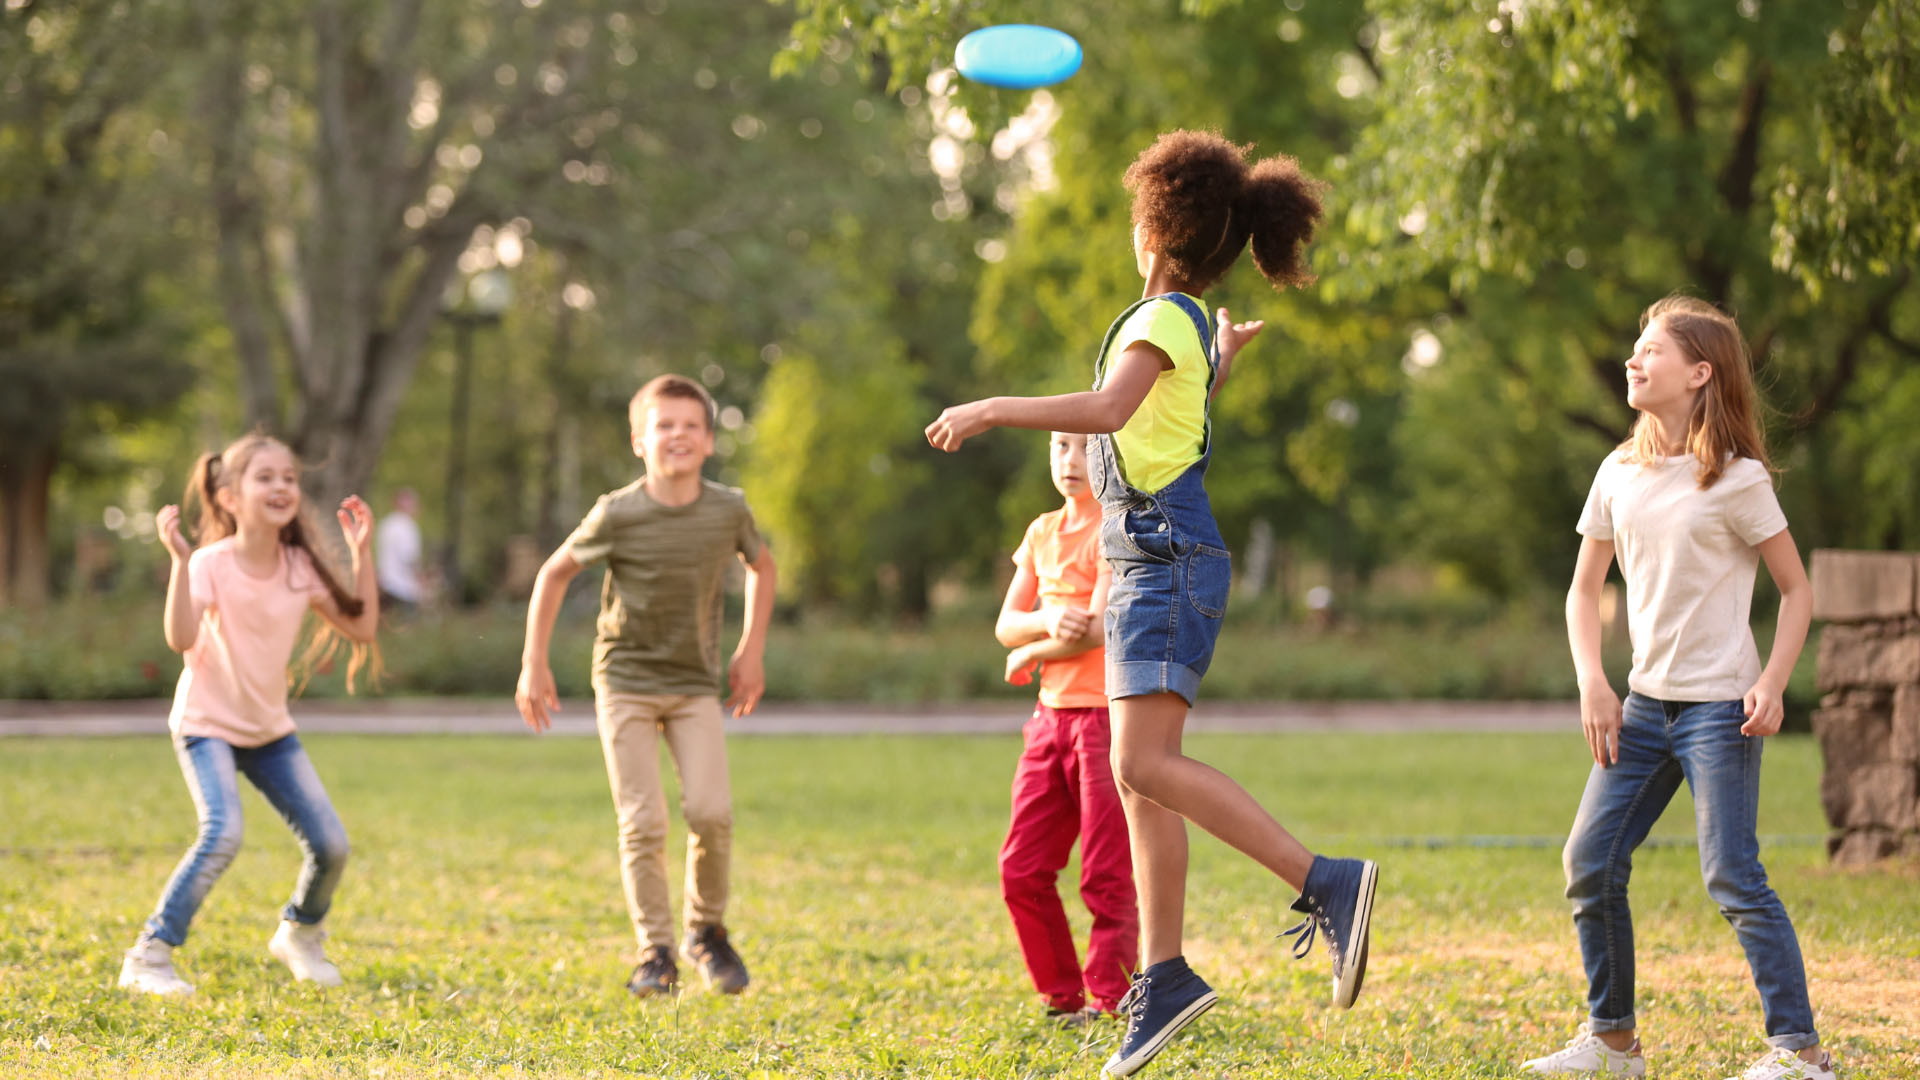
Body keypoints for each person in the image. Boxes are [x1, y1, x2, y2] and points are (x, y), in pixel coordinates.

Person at [925, 130, 1377, 1078]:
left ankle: (1326, 881)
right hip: (1151, 554)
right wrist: (1226, 364)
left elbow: (1109, 414)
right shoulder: (1182, 324)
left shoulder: (1163, 317)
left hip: (1163, 556)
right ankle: (1164, 974)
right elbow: (1170, 418)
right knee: (1137, 776)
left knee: (1141, 760)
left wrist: (992, 407)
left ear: (1156, 233)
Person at [1526, 296, 1832, 1080]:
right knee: (1588, 863)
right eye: (1636, 347)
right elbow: (1582, 587)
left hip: (1719, 709)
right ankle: (1615, 1043)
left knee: (1732, 874)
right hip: (1640, 707)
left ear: (1699, 373)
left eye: (1651, 350)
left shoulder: (1738, 479)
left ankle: (1801, 1054)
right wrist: (1594, 682)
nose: (1634, 360)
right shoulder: (1617, 471)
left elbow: (1796, 591)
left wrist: (1773, 681)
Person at [516, 373, 776, 999]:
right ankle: (655, 953)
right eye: (663, 425)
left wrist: (750, 651)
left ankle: (706, 932)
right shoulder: (619, 511)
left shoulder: (728, 508)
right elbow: (553, 574)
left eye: (690, 425)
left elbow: (762, 567)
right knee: (643, 821)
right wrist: (534, 662)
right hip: (625, 680)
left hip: (693, 683)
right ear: (639, 440)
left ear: (710, 440)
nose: (677, 435)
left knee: (711, 812)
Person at [119, 433, 380, 996]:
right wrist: (181, 563)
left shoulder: (299, 567)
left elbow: (361, 628)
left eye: (289, 477)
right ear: (230, 497)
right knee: (222, 834)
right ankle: (148, 956)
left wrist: (361, 553)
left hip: (270, 732)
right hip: (206, 724)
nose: (283, 486)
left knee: (331, 845)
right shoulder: (210, 564)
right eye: (266, 477)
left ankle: (299, 934)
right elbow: (180, 638)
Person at [996, 430, 1134, 1025]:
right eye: (1059, 446)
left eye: (1085, 447)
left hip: (1105, 721)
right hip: (1047, 722)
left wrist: (1028, 653)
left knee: (1106, 874)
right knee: (1021, 869)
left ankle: (1110, 1001)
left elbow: (1099, 628)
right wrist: (1043, 622)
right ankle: (1062, 998)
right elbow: (1006, 622)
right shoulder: (1040, 532)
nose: (1070, 460)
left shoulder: (1115, 528)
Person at [375, 487, 428, 611]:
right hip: (404, 587)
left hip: (384, 583)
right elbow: (410, 558)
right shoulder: (408, 526)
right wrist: (422, 582)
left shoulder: (385, 524)